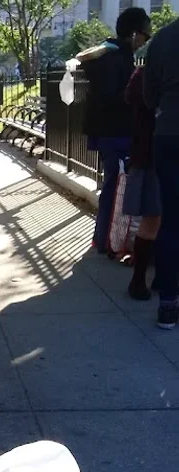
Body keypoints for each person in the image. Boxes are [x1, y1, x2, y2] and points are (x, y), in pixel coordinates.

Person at [78, 7, 151, 255]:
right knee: (114, 187)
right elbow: (110, 97)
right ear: (133, 34)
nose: (146, 40)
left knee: (112, 186)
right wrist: (136, 94)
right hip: (115, 133)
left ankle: (104, 239)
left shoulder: (111, 55)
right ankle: (107, 240)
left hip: (107, 132)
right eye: (145, 34)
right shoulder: (115, 58)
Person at [144, 16, 179, 329]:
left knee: (171, 221)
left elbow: (148, 91)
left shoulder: (163, 39)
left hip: (168, 132)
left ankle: (168, 303)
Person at [122, 66, 160, 301]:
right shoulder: (147, 75)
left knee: (153, 218)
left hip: (147, 153)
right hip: (153, 155)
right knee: (154, 217)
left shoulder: (143, 73)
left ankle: (144, 278)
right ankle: (141, 279)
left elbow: (129, 97)